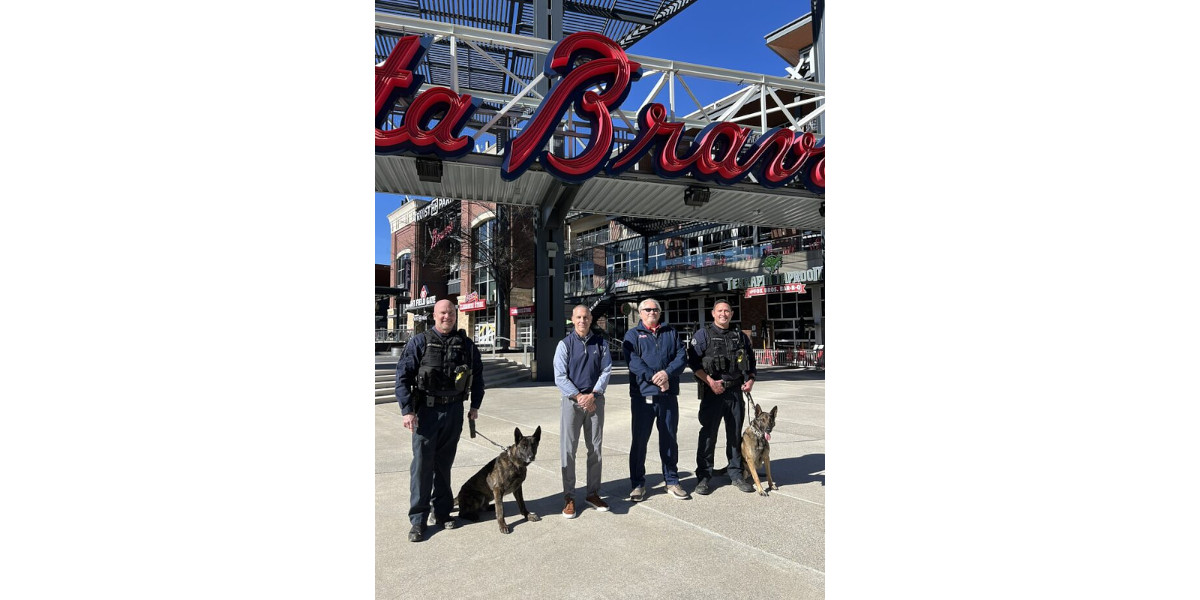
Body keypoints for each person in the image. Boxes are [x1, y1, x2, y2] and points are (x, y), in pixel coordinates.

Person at [395, 299, 484, 542]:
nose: (448, 317)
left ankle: (442, 513)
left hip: (454, 412)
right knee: (422, 467)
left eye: (451, 313)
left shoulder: (466, 344)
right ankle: (418, 519)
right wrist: (407, 410)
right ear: (434, 315)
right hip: (426, 413)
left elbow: (478, 376)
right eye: (443, 313)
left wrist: (475, 405)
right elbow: (402, 377)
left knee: (444, 466)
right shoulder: (420, 342)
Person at [687, 300, 757, 495]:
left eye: (727, 311)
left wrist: (750, 380)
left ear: (732, 314)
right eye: (720, 311)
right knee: (708, 435)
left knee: (734, 435)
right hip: (713, 392)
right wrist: (710, 381)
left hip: (735, 392)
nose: (723, 314)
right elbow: (693, 363)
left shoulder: (740, 336)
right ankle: (703, 476)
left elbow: (750, 362)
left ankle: (735, 473)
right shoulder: (703, 335)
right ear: (713, 313)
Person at [623, 298, 690, 501]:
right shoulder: (633, 335)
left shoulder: (671, 333)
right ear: (640, 313)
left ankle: (671, 480)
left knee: (669, 439)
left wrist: (667, 374)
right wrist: (655, 377)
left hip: (668, 396)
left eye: (655, 309)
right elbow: (633, 362)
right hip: (643, 397)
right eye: (647, 309)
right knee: (640, 441)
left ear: (660, 313)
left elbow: (681, 357)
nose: (652, 312)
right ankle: (637, 484)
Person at [553, 305, 613, 519]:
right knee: (568, 450)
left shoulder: (601, 344)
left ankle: (592, 493)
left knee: (595, 448)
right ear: (572, 319)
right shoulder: (565, 345)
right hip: (572, 402)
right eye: (578, 317)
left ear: (590, 319)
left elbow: (606, 370)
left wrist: (593, 395)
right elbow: (560, 376)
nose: (582, 321)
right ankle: (569, 497)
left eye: (586, 317)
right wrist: (579, 397)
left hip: (595, 401)